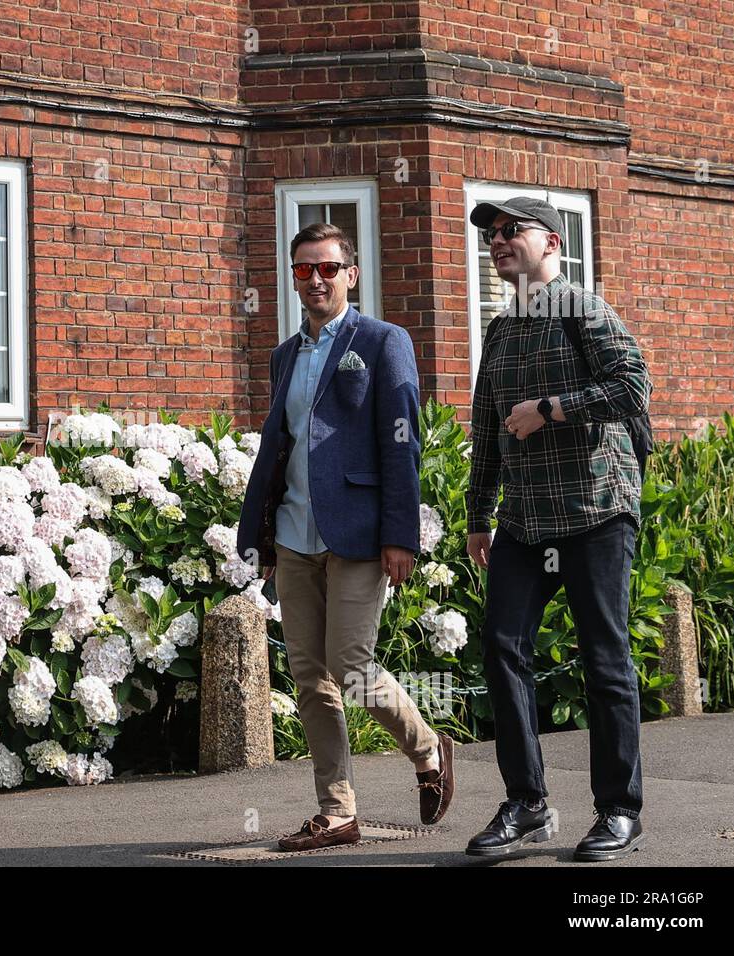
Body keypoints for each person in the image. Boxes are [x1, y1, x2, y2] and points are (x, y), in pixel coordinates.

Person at [237, 222, 455, 852]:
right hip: (295, 533)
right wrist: (267, 539)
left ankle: (429, 751)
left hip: (359, 534)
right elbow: (279, 450)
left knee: (351, 667)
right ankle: (336, 811)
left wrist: (400, 534)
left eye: (328, 268)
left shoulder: (383, 342)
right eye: (304, 270)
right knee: (309, 675)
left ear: (350, 275)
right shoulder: (285, 355)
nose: (315, 280)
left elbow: (402, 443)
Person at [464, 196, 652, 861]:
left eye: (511, 230)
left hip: (596, 511)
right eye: (490, 234)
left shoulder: (582, 309)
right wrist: (477, 516)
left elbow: (633, 386)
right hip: (523, 518)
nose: (497, 241)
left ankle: (620, 812)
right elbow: (486, 427)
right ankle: (528, 804)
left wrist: (550, 408)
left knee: (605, 661)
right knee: (501, 645)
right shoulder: (500, 327)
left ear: (552, 242)